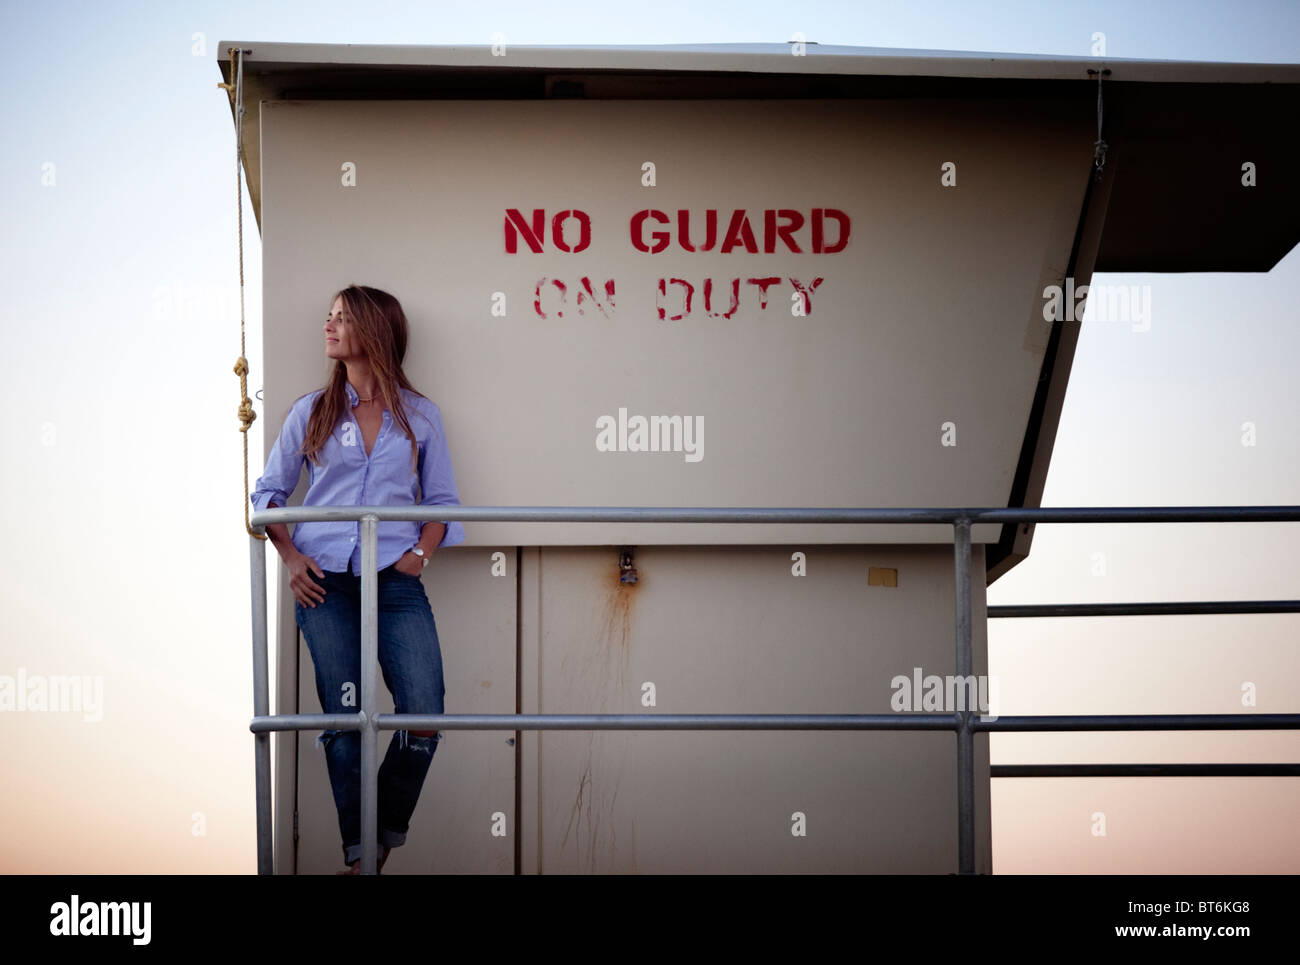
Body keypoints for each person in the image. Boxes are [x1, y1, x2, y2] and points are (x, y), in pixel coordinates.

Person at [250, 284, 465, 874]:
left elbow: (442, 502)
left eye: (341, 318)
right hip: (325, 583)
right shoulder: (310, 412)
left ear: (374, 330)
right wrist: (292, 559)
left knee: (424, 714)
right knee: (345, 718)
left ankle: (379, 840)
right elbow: (266, 497)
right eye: (329, 315)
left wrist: (419, 555)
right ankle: (361, 859)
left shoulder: (421, 416)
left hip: (394, 581)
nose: (328, 325)